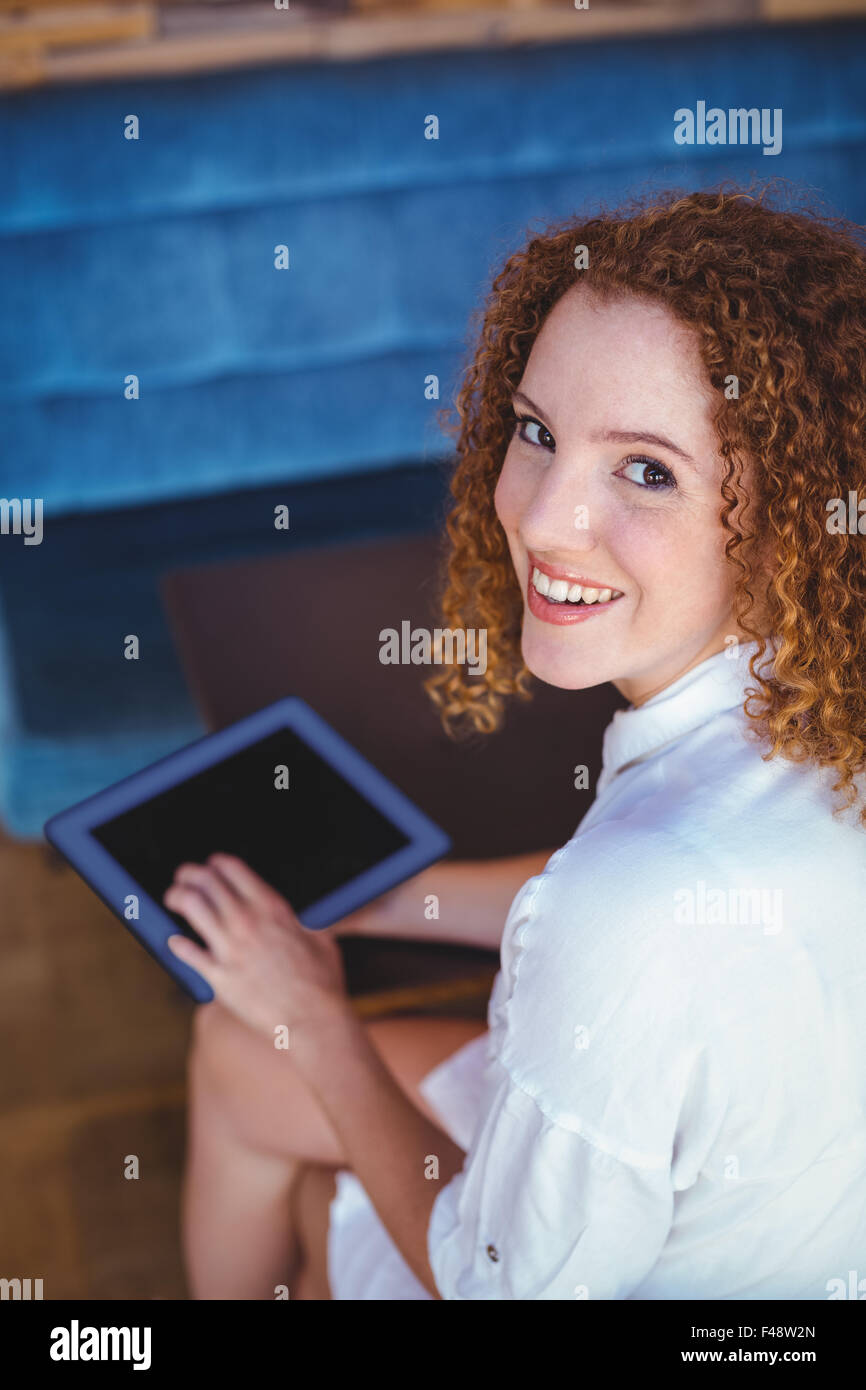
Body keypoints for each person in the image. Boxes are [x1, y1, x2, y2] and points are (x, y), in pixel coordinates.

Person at [165, 186, 866, 1299]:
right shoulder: (821, 700)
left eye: (646, 470)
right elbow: (704, 908)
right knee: (245, 1060)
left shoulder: (621, 913)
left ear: (788, 512)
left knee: (287, 1112)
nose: (539, 518)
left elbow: (490, 1286)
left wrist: (311, 1012)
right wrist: (400, 897)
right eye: (536, 432)